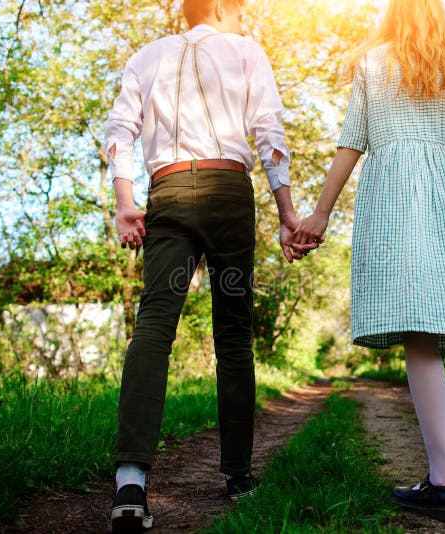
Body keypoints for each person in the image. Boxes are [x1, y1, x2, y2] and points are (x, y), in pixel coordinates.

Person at [293, 0, 445, 524]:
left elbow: (351, 143)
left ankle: (444, 482)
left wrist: (320, 213)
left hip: (395, 196)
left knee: (419, 332)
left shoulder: (373, 62)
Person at [104, 0, 314, 531]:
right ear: (221, 6)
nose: (244, 17)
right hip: (228, 194)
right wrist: (288, 213)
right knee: (234, 333)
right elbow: (268, 133)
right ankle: (239, 475)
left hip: (167, 192)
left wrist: (126, 204)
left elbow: (119, 132)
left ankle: (130, 482)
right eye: (241, 7)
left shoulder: (145, 55)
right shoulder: (245, 50)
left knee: (152, 329)